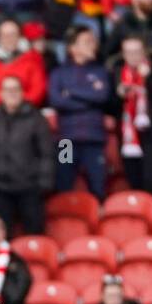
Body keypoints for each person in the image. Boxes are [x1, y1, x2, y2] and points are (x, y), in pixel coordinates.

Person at [0, 75, 54, 236]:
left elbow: (48, 152)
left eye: (15, 89)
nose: (11, 93)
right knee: (1, 235)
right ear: (0, 93)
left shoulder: (36, 118)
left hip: (29, 186)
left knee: (34, 231)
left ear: (22, 92)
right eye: (7, 89)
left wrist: (44, 182)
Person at [109, 36, 152, 200]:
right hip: (128, 135)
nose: (133, 56)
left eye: (137, 52)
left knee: (151, 179)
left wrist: (150, 79)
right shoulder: (117, 73)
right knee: (134, 179)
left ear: (144, 52)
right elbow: (109, 106)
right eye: (128, 52)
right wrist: (119, 94)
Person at [50, 26, 111, 199]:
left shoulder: (100, 71)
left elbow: (102, 97)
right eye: (87, 42)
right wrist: (89, 99)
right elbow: (57, 101)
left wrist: (72, 92)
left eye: (93, 41)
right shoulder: (59, 73)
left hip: (94, 139)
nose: (93, 45)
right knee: (63, 184)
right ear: (72, 48)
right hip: (66, 141)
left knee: (98, 187)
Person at [0, 17, 47, 115]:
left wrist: (16, 106)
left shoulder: (32, 58)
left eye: (12, 34)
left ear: (20, 36)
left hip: (23, 115)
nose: (8, 39)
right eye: (4, 35)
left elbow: (38, 89)